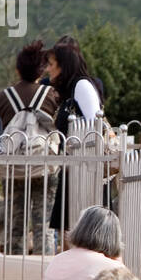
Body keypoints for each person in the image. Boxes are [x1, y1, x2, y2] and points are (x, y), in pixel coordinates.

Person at [0, 40, 61, 254]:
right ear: (42, 70)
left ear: (17, 69)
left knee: (15, 225)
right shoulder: (51, 95)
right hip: (44, 166)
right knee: (45, 226)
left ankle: (14, 271)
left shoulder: (4, 97)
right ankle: (45, 272)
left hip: (13, 169)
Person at [45, 43, 105, 242]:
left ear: (63, 66)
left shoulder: (82, 86)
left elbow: (95, 128)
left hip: (85, 173)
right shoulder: (69, 91)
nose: (48, 68)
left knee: (81, 236)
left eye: (51, 64)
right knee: (67, 232)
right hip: (73, 169)